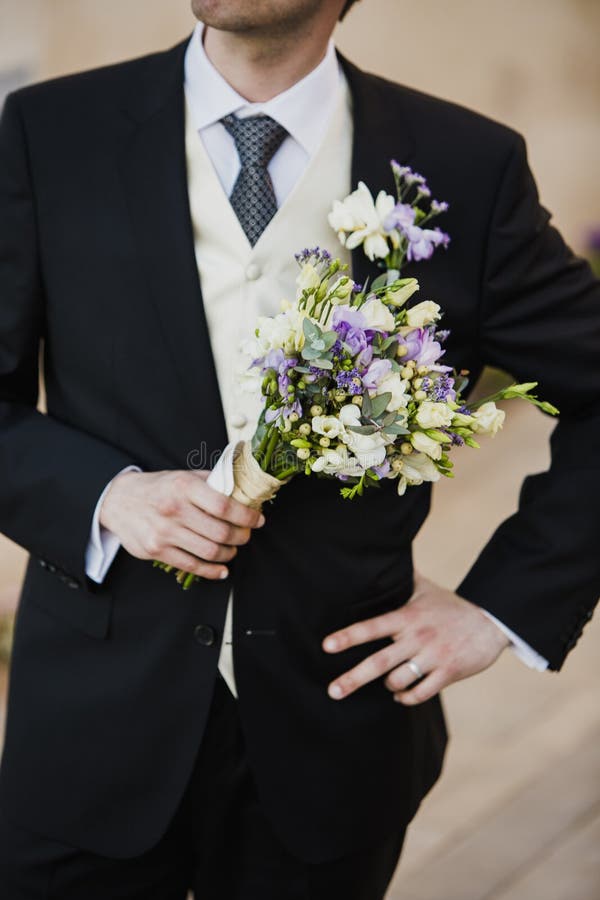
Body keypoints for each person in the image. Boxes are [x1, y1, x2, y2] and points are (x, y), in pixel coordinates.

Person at [0, 0, 598, 897]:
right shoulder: (53, 130)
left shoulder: (466, 164)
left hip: (337, 740)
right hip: (90, 730)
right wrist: (104, 496)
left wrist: (502, 607)